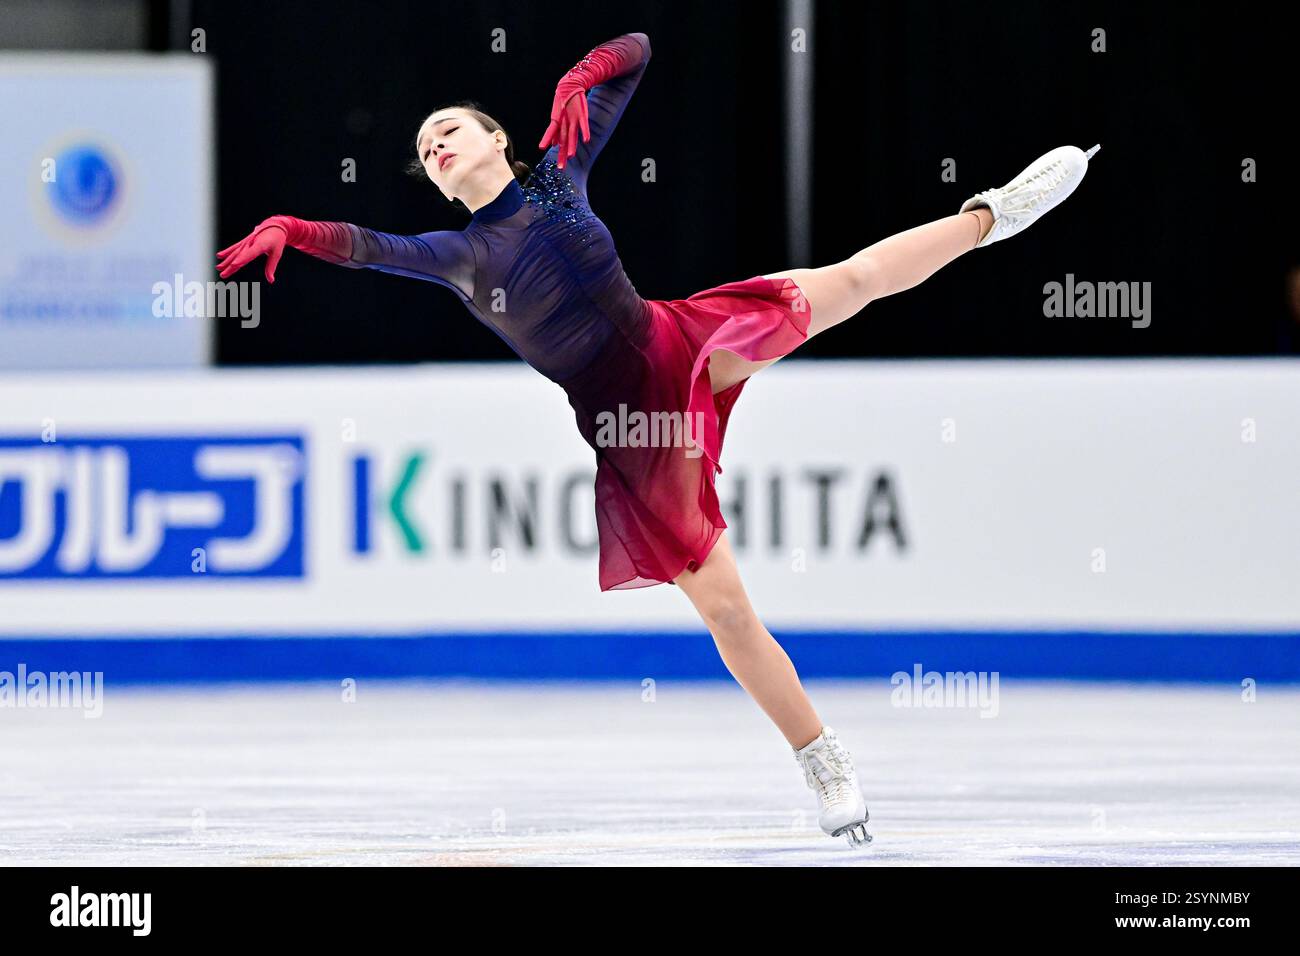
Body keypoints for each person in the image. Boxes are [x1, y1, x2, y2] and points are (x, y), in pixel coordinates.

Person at [216, 31, 1098, 845]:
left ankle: (991, 214)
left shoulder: (561, 174)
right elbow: (368, 246)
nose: (437, 146)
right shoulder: (459, 255)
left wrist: (581, 77)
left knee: (855, 280)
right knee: (725, 610)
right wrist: (295, 229)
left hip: (684, 339)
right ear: (442, 184)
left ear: (496, 140)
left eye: (450, 130)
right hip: (639, 430)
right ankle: (822, 759)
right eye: (426, 150)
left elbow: (638, 51)